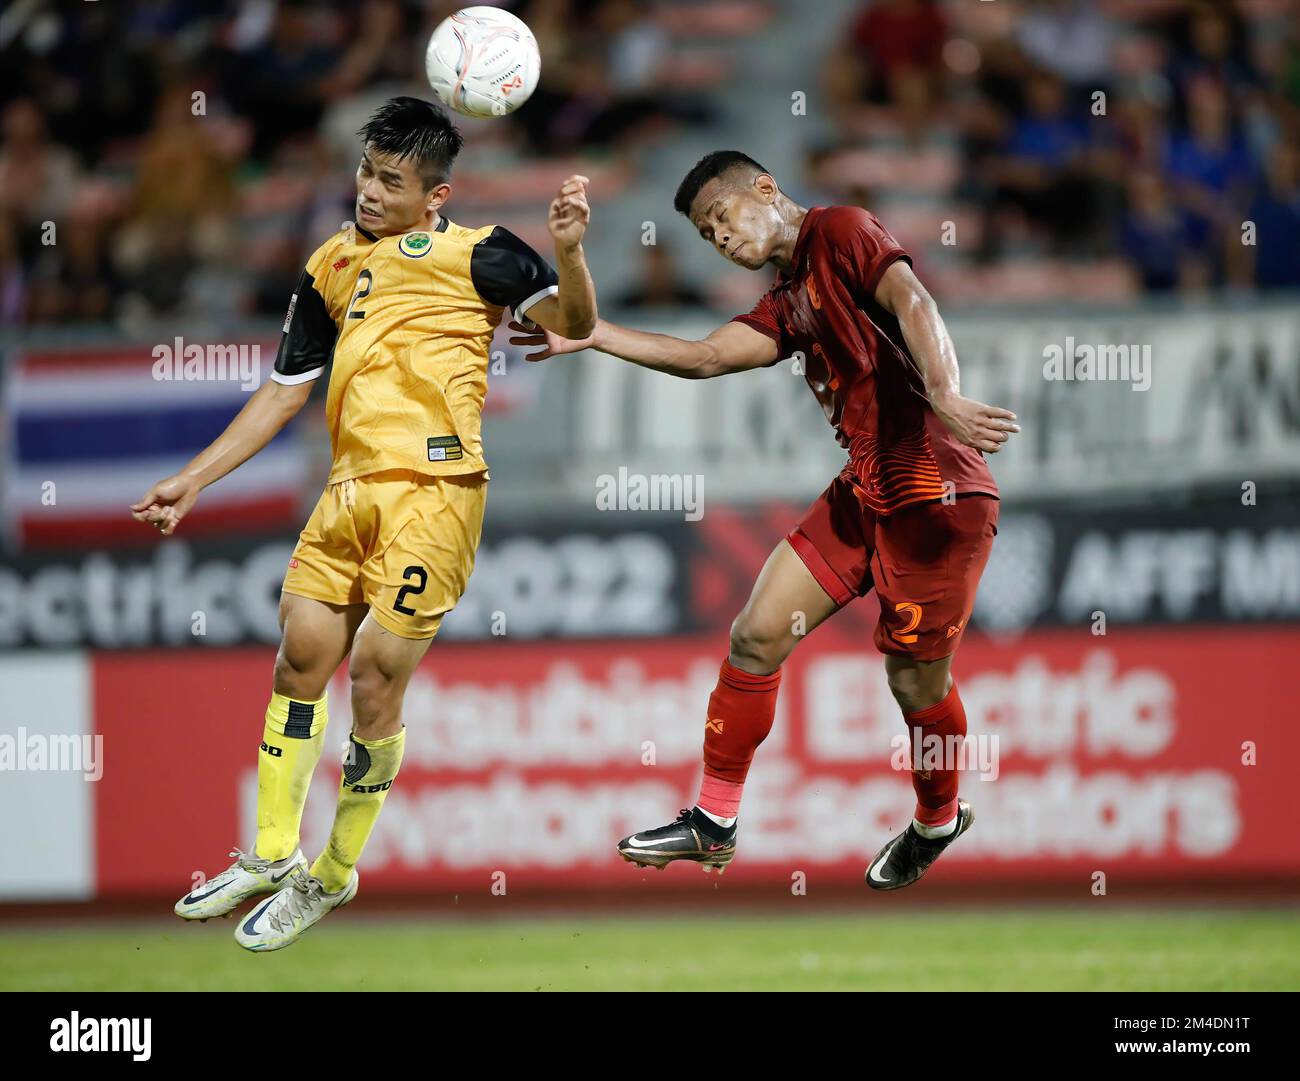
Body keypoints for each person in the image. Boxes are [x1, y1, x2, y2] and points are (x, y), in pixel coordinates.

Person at [131, 97, 596, 949]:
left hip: (435, 487)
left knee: (377, 676)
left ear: (437, 196)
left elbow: (574, 324)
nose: (369, 192)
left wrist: (567, 251)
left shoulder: (481, 253)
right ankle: (271, 854)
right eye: (365, 173)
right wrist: (192, 478)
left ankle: (334, 872)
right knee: (299, 656)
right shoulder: (329, 264)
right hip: (347, 490)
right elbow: (282, 388)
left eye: (390, 181)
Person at [511, 150, 1017, 890]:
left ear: (767, 190)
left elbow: (914, 301)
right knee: (754, 634)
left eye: (723, 217)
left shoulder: (842, 230)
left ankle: (937, 820)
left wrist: (942, 391)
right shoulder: (789, 297)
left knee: (913, 681)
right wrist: (595, 335)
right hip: (868, 483)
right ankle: (713, 821)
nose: (722, 238)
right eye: (708, 236)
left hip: (937, 491)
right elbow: (710, 356)